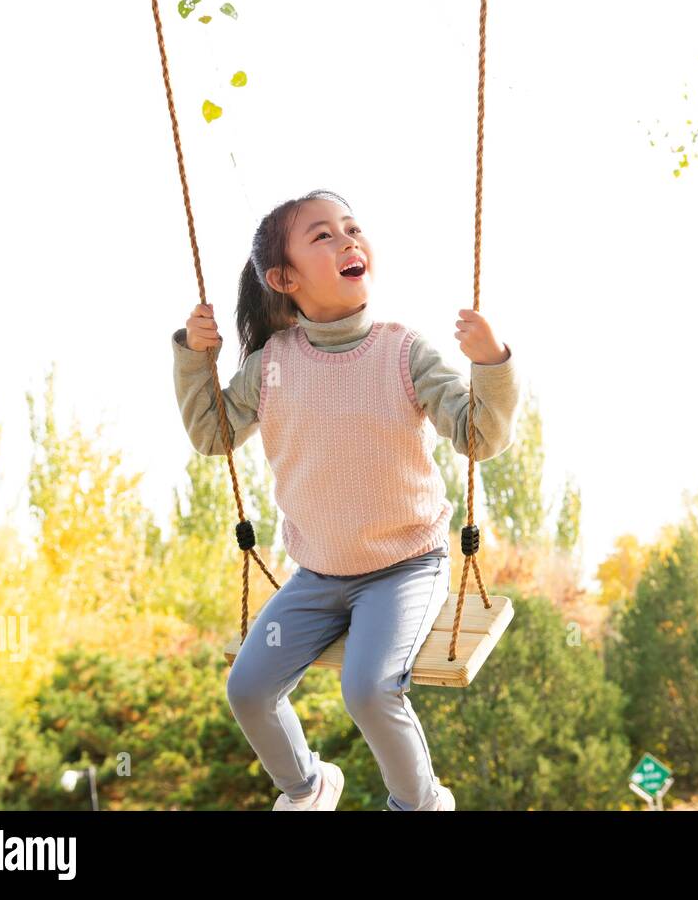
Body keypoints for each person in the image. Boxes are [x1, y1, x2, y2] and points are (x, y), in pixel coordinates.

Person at [171, 187, 521, 811]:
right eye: (323, 236)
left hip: (405, 567)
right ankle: (309, 785)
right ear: (284, 278)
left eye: (352, 228)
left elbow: (479, 436)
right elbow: (212, 435)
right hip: (319, 576)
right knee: (248, 689)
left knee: (369, 690)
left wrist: (490, 362)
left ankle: (420, 803)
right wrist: (194, 358)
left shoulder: (401, 351)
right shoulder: (272, 364)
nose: (348, 240)